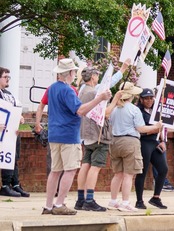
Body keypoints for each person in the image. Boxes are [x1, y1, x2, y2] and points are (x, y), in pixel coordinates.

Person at [43, 59, 110, 215]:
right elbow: (80, 110)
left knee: (55, 171)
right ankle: (59, 204)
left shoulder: (52, 88)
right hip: (68, 135)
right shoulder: (67, 90)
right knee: (70, 170)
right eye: (74, 72)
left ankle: (48, 206)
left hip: (54, 134)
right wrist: (99, 98)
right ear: (70, 73)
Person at [75, 65, 126, 212]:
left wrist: (122, 70)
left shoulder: (82, 91)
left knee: (85, 164)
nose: (99, 78)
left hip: (85, 133)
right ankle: (89, 199)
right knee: (95, 167)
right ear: (93, 77)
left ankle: (80, 199)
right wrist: (116, 98)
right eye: (97, 76)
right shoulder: (95, 92)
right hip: (98, 133)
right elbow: (107, 113)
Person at [108, 84, 162, 212]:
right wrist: (156, 127)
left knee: (118, 174)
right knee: (128, 175)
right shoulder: (134, 109)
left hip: (115, 140)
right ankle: (125, 202)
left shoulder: (114, 109)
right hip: (130, 141)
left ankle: (113, 200)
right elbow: (141, 128)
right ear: (131, 95)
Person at [132, 88, 169, 210]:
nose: (149, 100)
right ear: (141, 99)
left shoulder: (155, 111)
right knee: (142, 171)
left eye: (151, 98)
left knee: (163, 169)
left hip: (155, 142)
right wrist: (155, 129)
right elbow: (142, 130)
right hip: (144, 142)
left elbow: (161, 128)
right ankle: (139, 200)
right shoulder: (138, 111)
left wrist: (162, 140)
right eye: (146, 98)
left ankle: (156, 197)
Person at [0, 66, 29, 198]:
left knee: (13, 157)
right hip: (2, 133)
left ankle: (15, 184)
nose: (8, 79)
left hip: (11, 132)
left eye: (8, 77)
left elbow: (15, 110)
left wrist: (20, 118)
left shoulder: (8, 94)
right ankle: (5, 185)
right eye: (5, 77)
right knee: (5, 156)